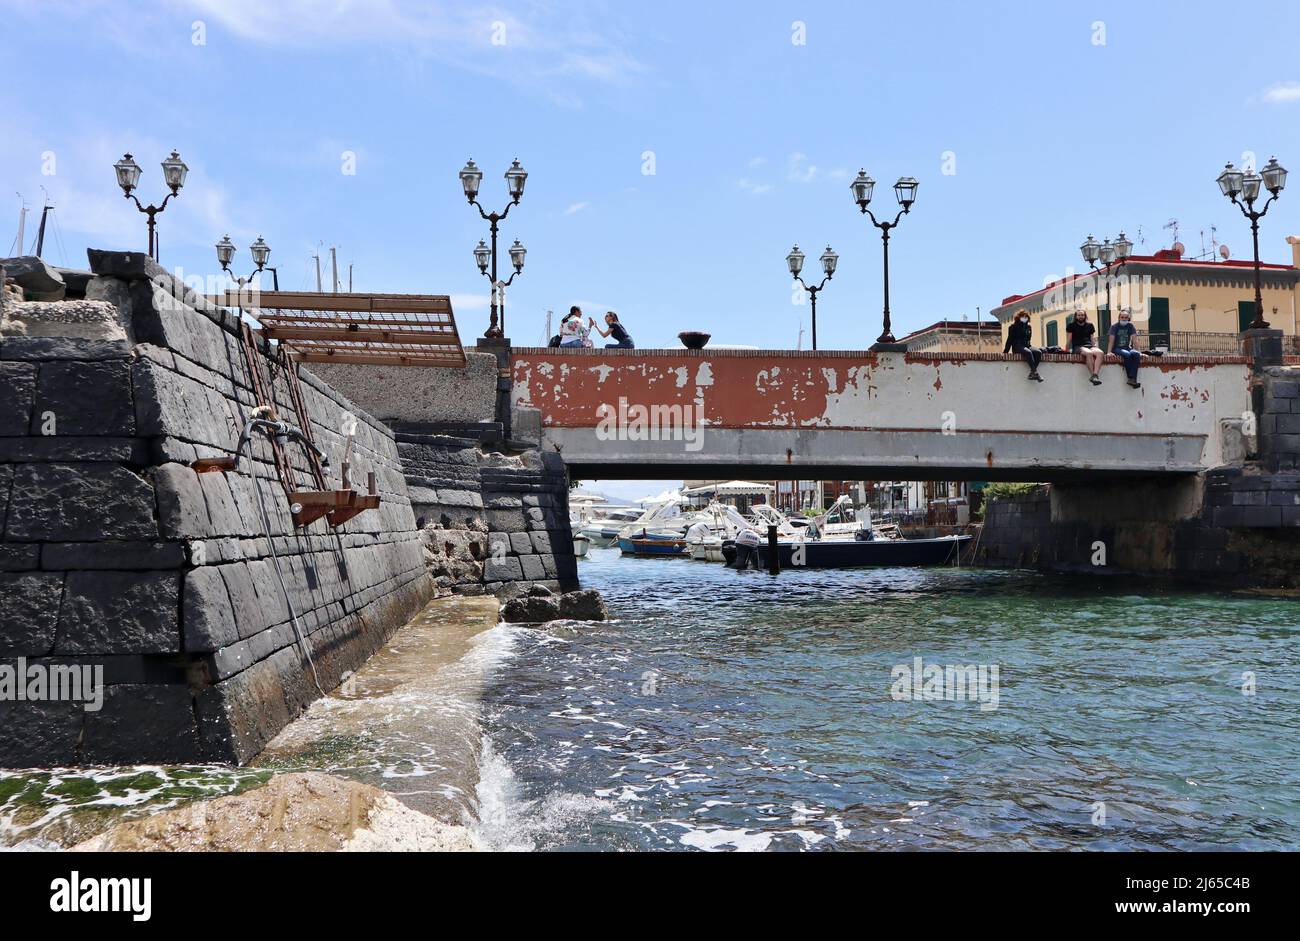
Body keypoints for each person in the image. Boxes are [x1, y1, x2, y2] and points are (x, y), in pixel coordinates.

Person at [1065, 309, 1104, 386]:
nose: (1081, 317)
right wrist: (1066, 350)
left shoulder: (1090, 326)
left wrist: (1095, 347)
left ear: (1085, 316)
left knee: (1100, 353)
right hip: (1078, 347)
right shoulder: (1071, 326)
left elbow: (1092, 339)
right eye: (1079, 315)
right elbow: (1069, 340)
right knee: (1089, 353)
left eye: (1082, 315)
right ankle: (1093, 375)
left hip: (1089, 346)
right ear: (1076, 316)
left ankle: (1095, 375)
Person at [1003, 309, 1044, 381]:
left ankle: (1032, 372)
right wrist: (1005, 352)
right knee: (1028, 352)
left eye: (1026, 317)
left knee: (1038, 352)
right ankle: (1035, 372)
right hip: (1017, 346)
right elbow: (1009, 340)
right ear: (1019, 317)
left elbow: (1029, 339)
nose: (1025, 318)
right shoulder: (1013, 327)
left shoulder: (1028, 327)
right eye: (1023, 317)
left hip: (1027, 345)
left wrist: (1029, 345)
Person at [1108, 308, 1142, 388]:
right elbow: (1111, 341)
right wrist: (1109, 352)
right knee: (1127, 354)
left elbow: (1135, 340)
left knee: (1136, 354)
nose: (1124, 319)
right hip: (1116, 348)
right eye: (1122, 317)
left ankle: (1131, 379)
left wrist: (1139, 351)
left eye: (1126, 317)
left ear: (1128, 318)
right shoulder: (1114, 327)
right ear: (1119, 318)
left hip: (1127, 347)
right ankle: (1132, 378)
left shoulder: (1130, 326)